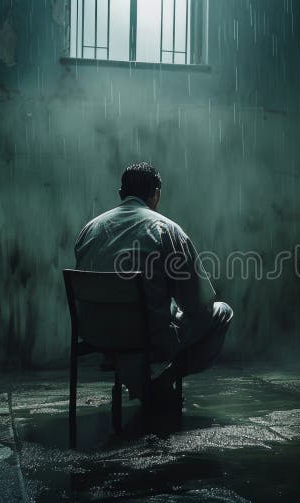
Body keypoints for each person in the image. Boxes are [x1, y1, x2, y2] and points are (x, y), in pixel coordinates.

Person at [74, 161, 233, 410]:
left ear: (121, 194)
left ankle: (139, 380)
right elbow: (196, 303)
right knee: (221, 312)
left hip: (96, 333)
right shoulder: (166, 230)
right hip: (145, 337)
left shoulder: (89, 229)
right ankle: (162, 382)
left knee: (140, 317)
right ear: (156, 194)